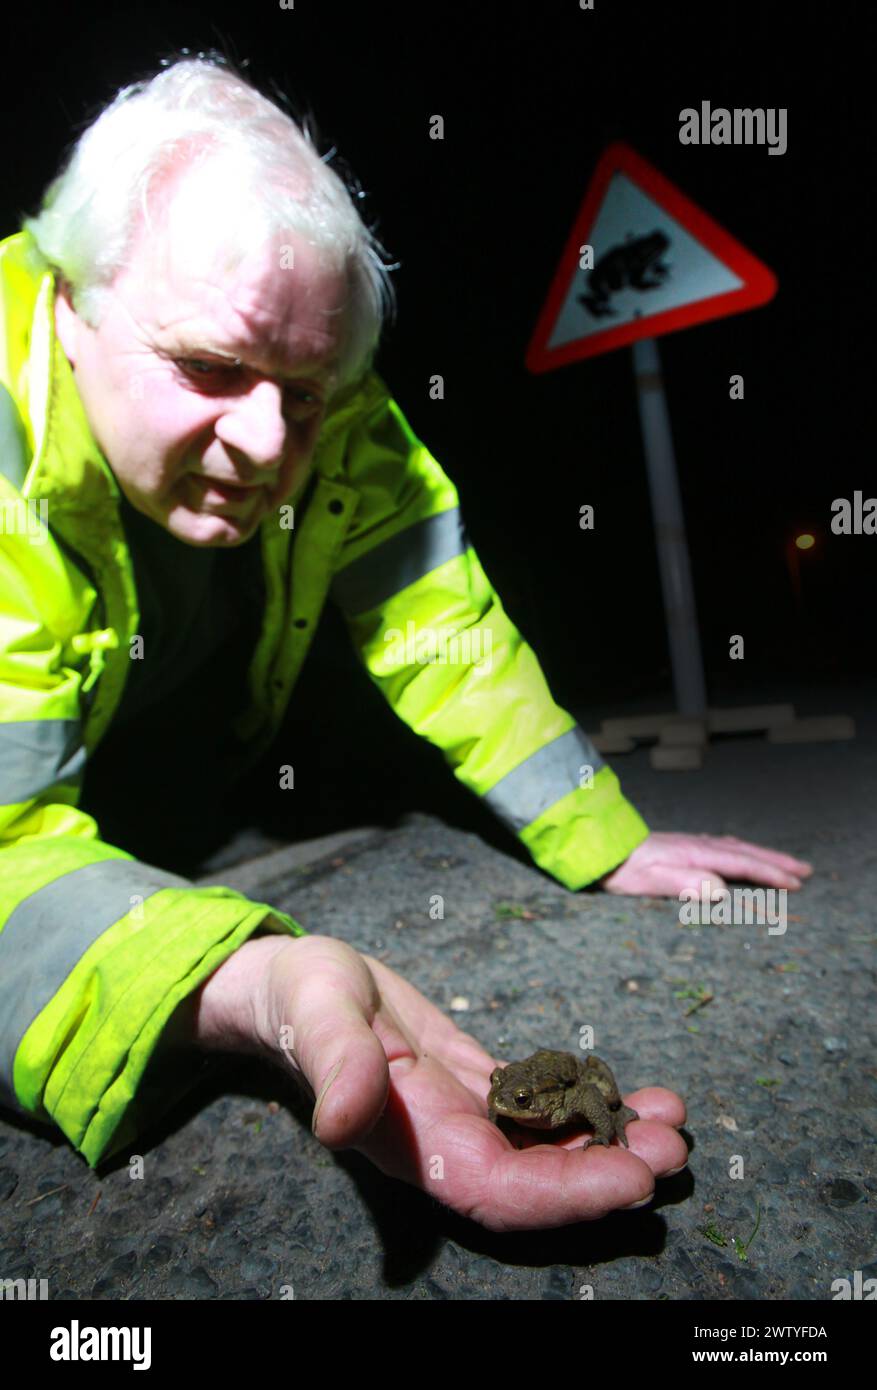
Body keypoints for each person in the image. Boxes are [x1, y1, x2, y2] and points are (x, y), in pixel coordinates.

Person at [0, 53, 811, 1231]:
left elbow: (442, 620)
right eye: (210, 368)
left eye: (305, 389)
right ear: (72, 305)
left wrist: (600, 834)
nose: (268, 438)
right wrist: (232, 973)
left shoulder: (330, 401)